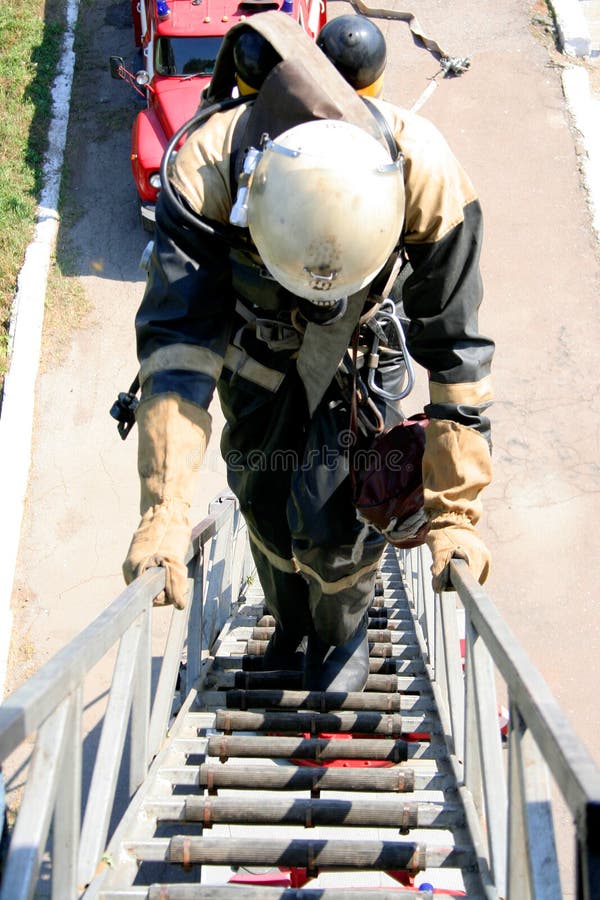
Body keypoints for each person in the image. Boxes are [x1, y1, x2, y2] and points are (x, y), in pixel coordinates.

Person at [122, 11, 494, 692]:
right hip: (252, 352)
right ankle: (290, 623)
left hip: (359, 356)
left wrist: (454, 513)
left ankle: (340, 633)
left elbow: (457, 358)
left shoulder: (424, 170)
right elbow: (179, 345)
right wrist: (165, 509)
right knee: (260, 493)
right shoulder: (209, 165)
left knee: (339, 517)